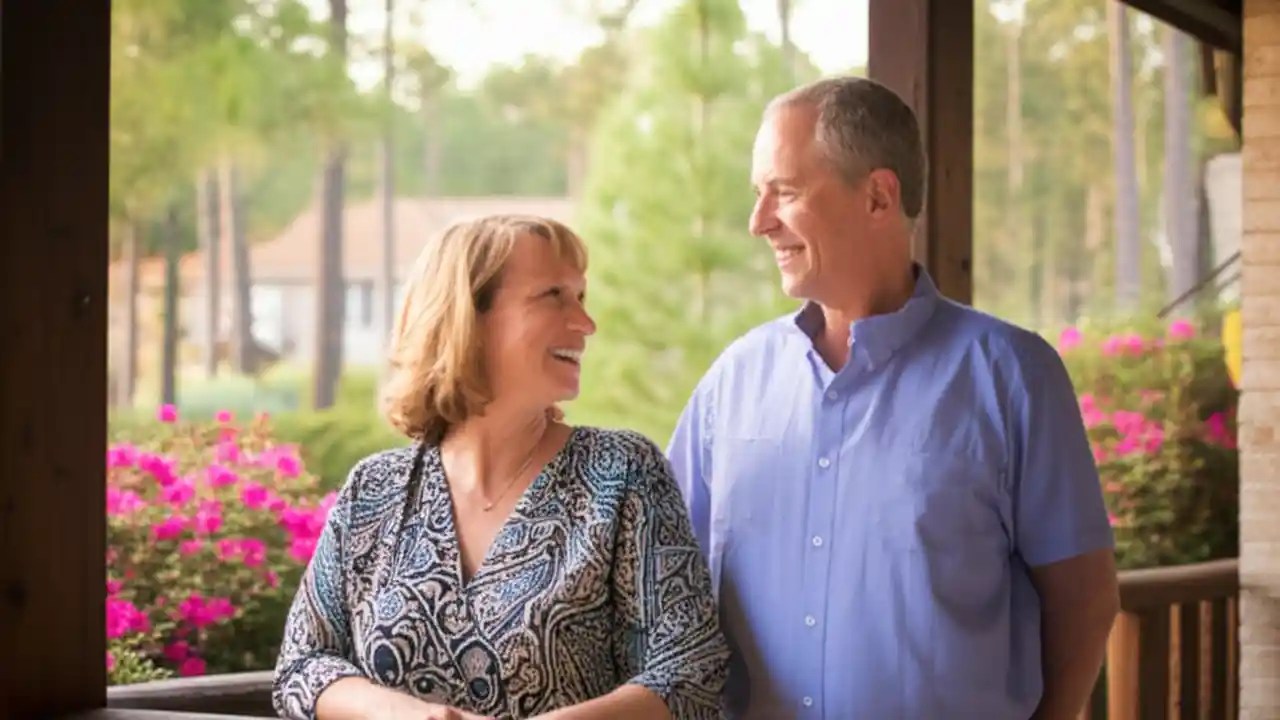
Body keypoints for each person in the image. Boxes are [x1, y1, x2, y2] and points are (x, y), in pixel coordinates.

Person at [667, 77, 1120, 719]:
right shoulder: (732, 382)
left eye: (786, 192)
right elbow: (658, 586)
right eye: (757, 194)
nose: (758, 221)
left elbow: (1084, 600)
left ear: (878, 196)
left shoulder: (1012, 376)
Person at [273, 214, 729, 720]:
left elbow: (692, 672)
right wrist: (412, 715)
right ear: (469, 317)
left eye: (581, 297)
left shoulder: (622, 475)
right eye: (553, 296)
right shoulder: (374, 490)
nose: (585, 323)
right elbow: (302, 666)